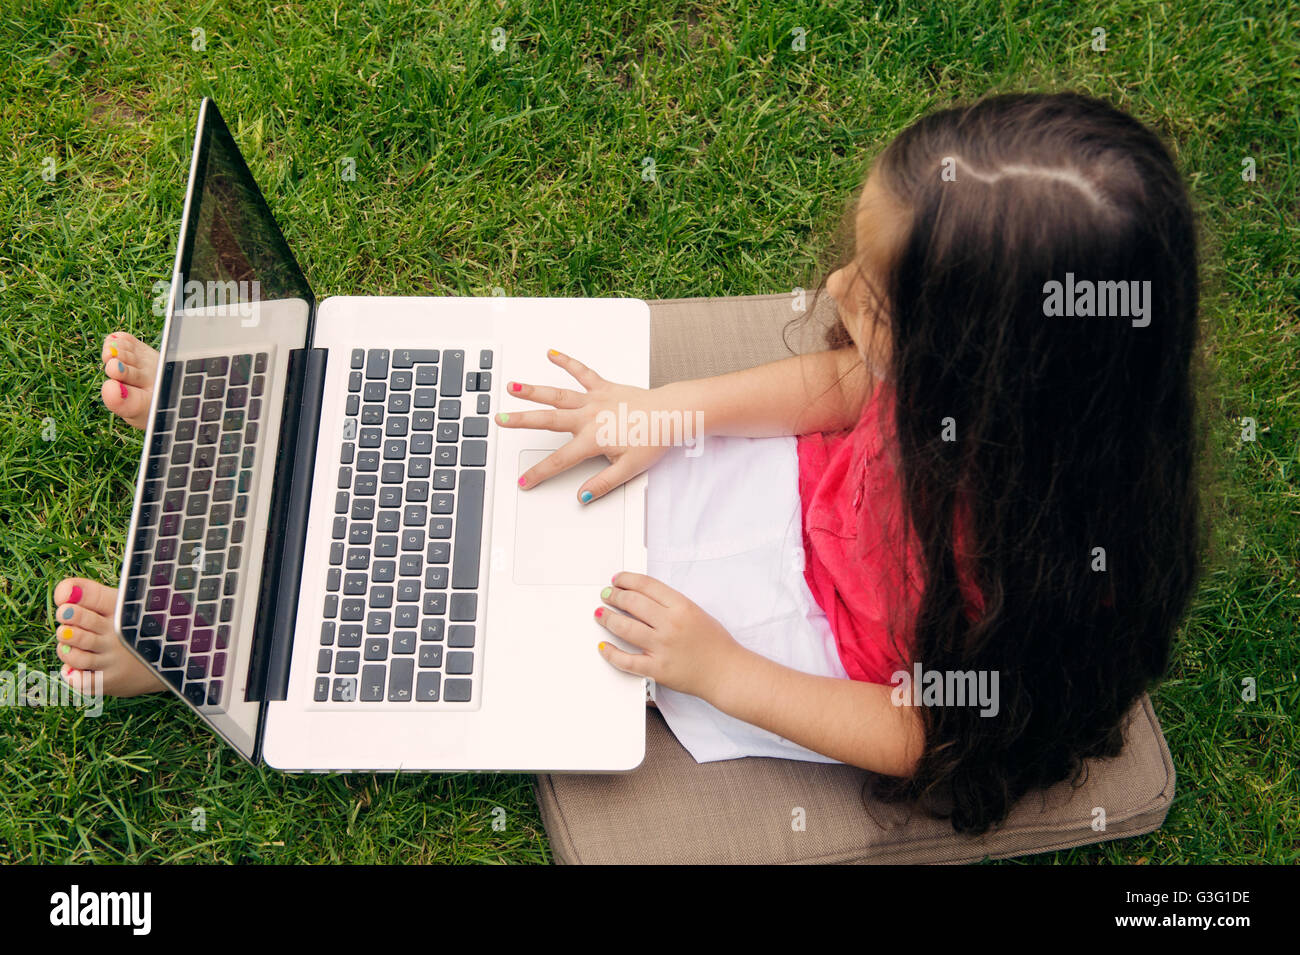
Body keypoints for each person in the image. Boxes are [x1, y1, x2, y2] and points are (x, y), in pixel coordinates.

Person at [52, 92, 1202, 833]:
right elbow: (846, 384)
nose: (838, 300)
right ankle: (276, 422)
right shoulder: (961, 392)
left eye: (880, 299)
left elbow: (922, 732)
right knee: (521, 462)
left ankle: (231, 658)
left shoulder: (1041, 581)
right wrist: (663, 412)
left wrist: (718, 669)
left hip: (802, 648)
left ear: (997, 386)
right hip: (784, 496)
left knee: (522, 631)